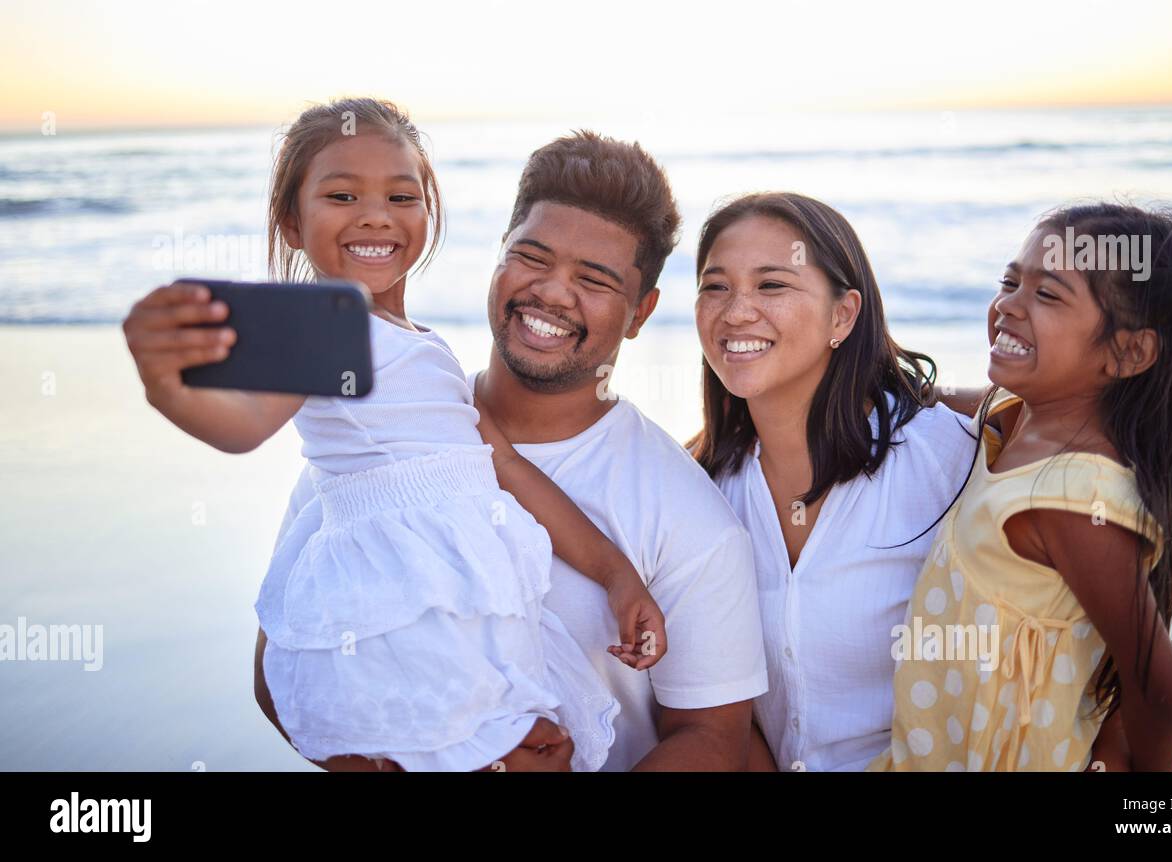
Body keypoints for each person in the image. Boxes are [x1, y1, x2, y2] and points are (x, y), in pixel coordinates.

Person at [122, 99, 672, 772]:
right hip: (397, 611)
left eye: (401, 194)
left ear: (427, 214)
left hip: (465, 616)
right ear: (292, 223)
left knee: (541, 750)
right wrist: (166, 388)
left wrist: (618, 576)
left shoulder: (433, 351)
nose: (375, 214)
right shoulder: (324, 330)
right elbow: (244, 426)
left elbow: (509, 472)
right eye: (342, 194)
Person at [262, 130, 769, 770]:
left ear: (641, 313)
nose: (553, 293)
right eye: (531, 257)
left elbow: (711, 740)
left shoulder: (688, 517)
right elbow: (279, 663)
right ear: (499, 257)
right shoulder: (379, 437)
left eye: (594, 279)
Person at [870, 202, 1172, 770]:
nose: (1008, 305)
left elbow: (1162, 690)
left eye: (1047, 295)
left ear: (1129, 352)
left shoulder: (1076, 500)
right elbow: (922, 395)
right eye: (1010, 281)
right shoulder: (1014, 413)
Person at [689, 192, 978, 771]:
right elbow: (714, 707)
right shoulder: (699, 485)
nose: (736, 311)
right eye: (716, 286)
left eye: (772, 285)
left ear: (843, 315)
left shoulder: (949, 461)